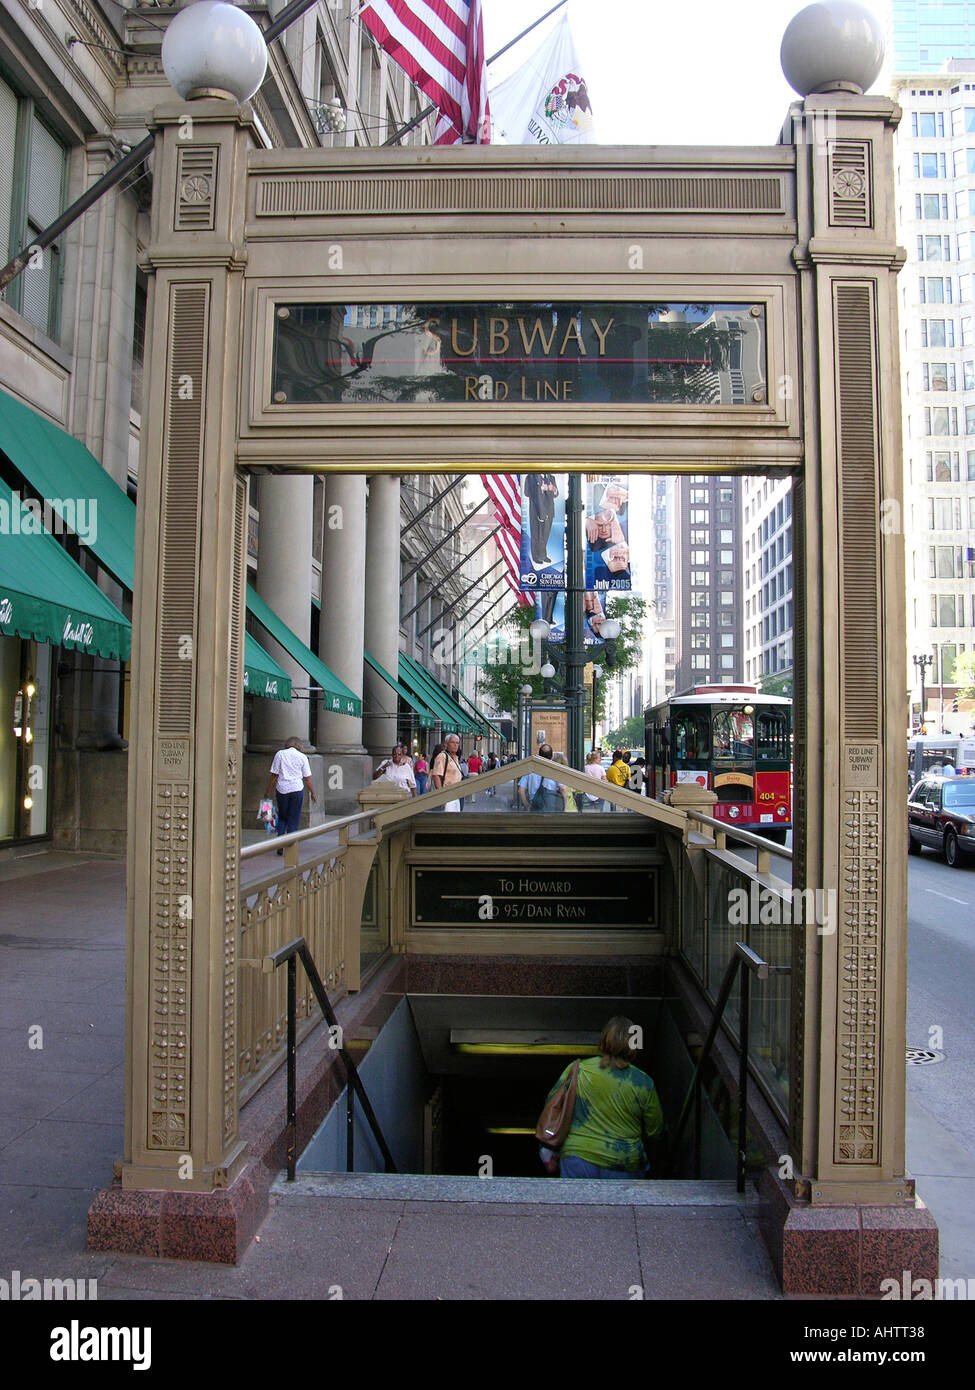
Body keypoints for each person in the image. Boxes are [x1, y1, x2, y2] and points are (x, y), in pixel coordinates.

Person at [543, 1016, 664, 1179]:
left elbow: (552, 1103)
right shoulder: (643, 1082)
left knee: (579, 1205)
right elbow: (655, 1130)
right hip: (624, 1162)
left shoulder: (579, 1070)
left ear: (604, 1038)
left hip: (578, 1157)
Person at [264, 736, 317, 854]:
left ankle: (280, 842)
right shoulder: (303, 757)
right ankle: (291, 846)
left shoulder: (280, 754)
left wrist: (267, 791)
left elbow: (274, 775)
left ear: (287, 744)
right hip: (297, 789)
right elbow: (307, 778)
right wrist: (313, 793)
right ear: (299, 745)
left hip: (282, 789)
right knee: (294, 817)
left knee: (282, 816)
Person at [518, 743, 565, 812]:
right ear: (552, 756)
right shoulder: (555, 770)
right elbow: (563, 789)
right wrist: (564, 808)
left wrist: (527, 806)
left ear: (539, 755)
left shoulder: (530, 769)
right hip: (551, 806)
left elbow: (521, 790)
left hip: (535, 806)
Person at [431, 732, 464, 811]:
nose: (455, 745)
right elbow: (436, 776)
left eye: (457, 743)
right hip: (447, 794)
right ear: (446, 744)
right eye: (453, 742)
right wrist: (442, 796)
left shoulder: (456, 757)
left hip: (456, 794)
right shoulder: (442, 756)